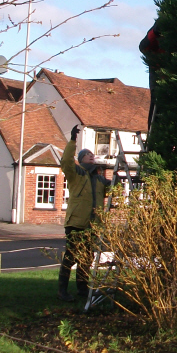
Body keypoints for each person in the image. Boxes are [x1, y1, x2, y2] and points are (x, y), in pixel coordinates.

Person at [58, 124, 111, 302]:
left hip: (92, 225)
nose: (91, 156)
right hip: (76, 223)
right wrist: (73, 141)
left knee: (86, 258)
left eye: (92, 154)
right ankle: (62, 291)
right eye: (88, 154)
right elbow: (65, 161)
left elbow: (114, 190)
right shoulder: (76, 174)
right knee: (71, 257)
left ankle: (82, 289)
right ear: (81, 159)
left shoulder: (99, 179)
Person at [138, 20, 164, 130]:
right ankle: (154, 144)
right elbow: (143, 46)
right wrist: (156, 32)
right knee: (157, 118)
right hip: (160, 83)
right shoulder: (159, 30)